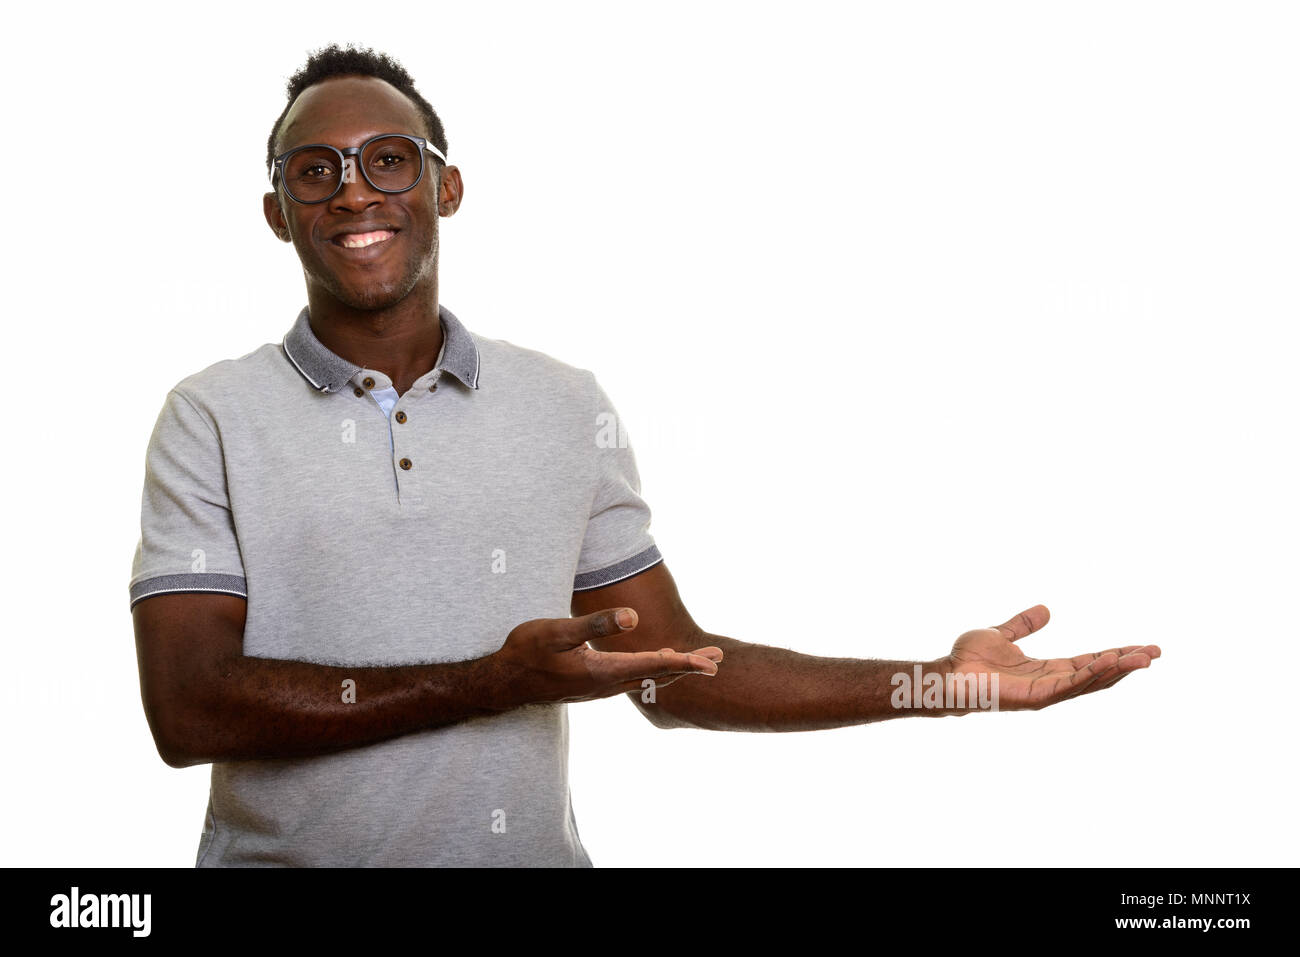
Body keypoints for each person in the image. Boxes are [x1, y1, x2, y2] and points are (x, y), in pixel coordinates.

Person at [129, 43, 1161, 867]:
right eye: (316, 172)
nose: (354, 192)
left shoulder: (561, 404)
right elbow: (189, 707)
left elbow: (673, 673)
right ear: (278, 214)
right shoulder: (211, 416)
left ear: (445, 189)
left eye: (387, 159)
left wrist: (940, 683)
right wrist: (485, 683)